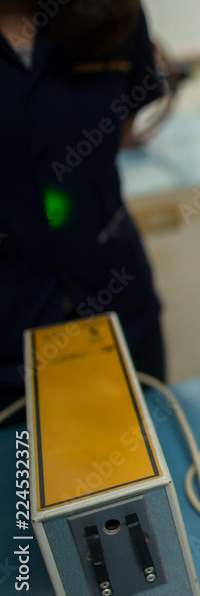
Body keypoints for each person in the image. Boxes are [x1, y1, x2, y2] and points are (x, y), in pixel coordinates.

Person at [0, 0, 165, 413]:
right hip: (8, 341)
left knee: (145, 444)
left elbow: (119, 132)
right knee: (20, 456)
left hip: (118, 307)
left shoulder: (116, 13)